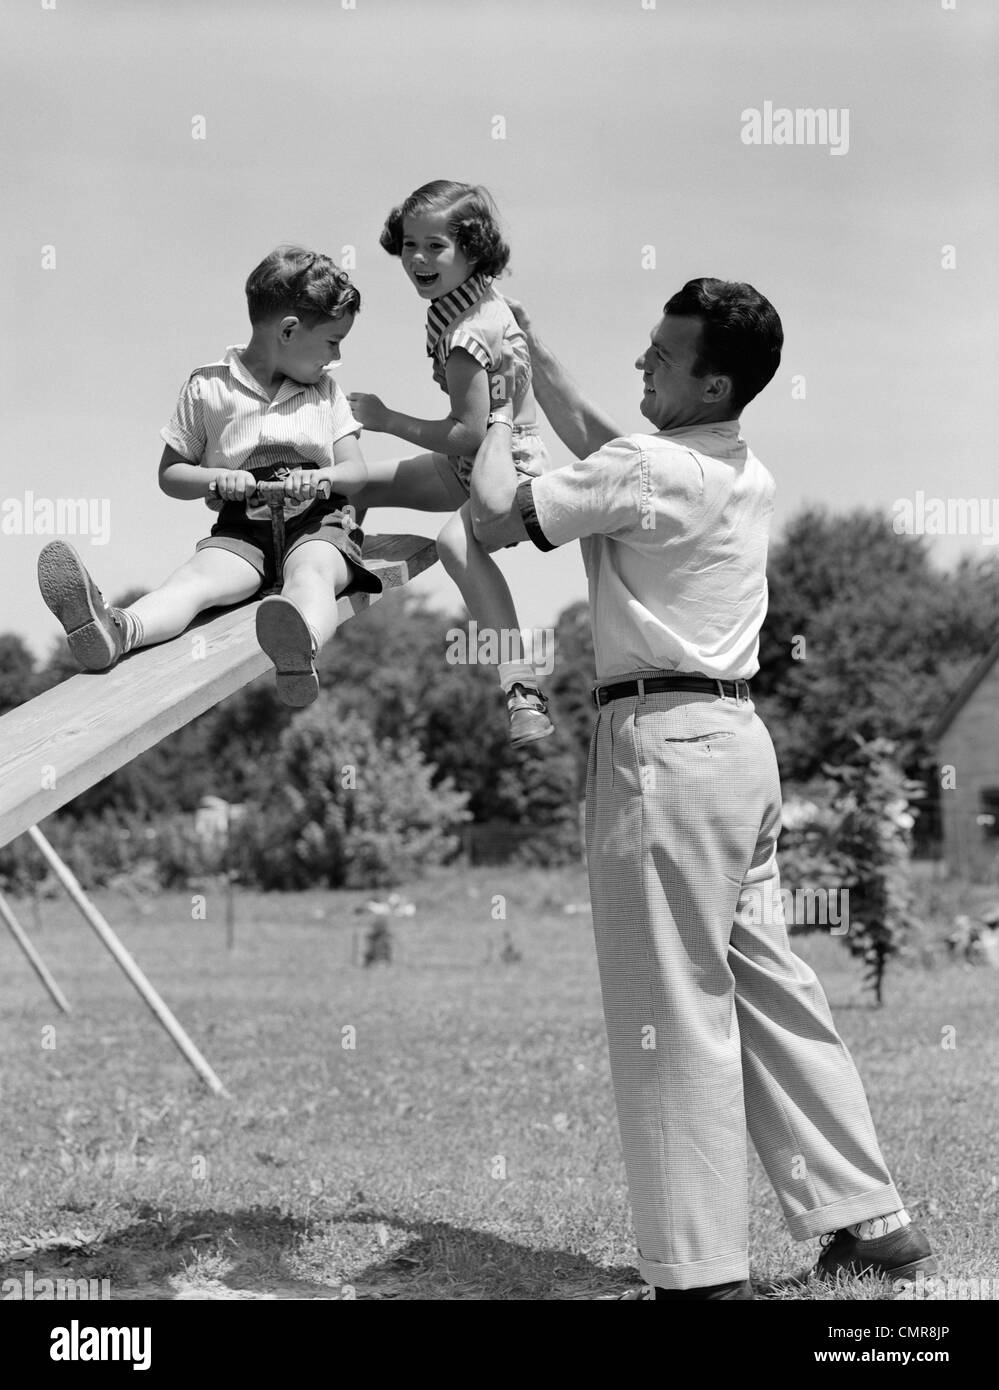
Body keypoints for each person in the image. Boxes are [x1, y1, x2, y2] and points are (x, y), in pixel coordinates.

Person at [470, 278, 937, 1299]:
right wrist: (537, 354)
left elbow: (501, 517)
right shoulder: (733, 465)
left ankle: (696, 1273)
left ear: (712, 380)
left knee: (667, 1009)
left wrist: (494, 401)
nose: (643, 365)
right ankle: (869, 1217)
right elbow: (615, 454)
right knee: (771, 987)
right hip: (735, 746)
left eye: (662, 358)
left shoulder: (646, 468)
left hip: (660, 748)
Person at [37, 246, 380, 708]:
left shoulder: (326, 393)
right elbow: (171, 474)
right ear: (289, 330)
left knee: (313, 574)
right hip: (243, 529)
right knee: (195, 581)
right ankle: (117, 629)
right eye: (332, 342)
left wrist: (322, 480)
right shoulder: (208, 387)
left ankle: (301, 645)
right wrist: (218, 478)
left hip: (317, 524)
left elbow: (355, 472)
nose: (335, 356)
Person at [346, 179, 553, 747]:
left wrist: (386, 419)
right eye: (410, 244)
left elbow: (466, 434)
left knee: (454, 544)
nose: (417, 258)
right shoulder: (464, 300)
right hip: (471, 461)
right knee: (356, 487)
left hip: (505, 469)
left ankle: (521, 686)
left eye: (435, 246)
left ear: (472, 248)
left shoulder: (467, 333)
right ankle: (320, 584)